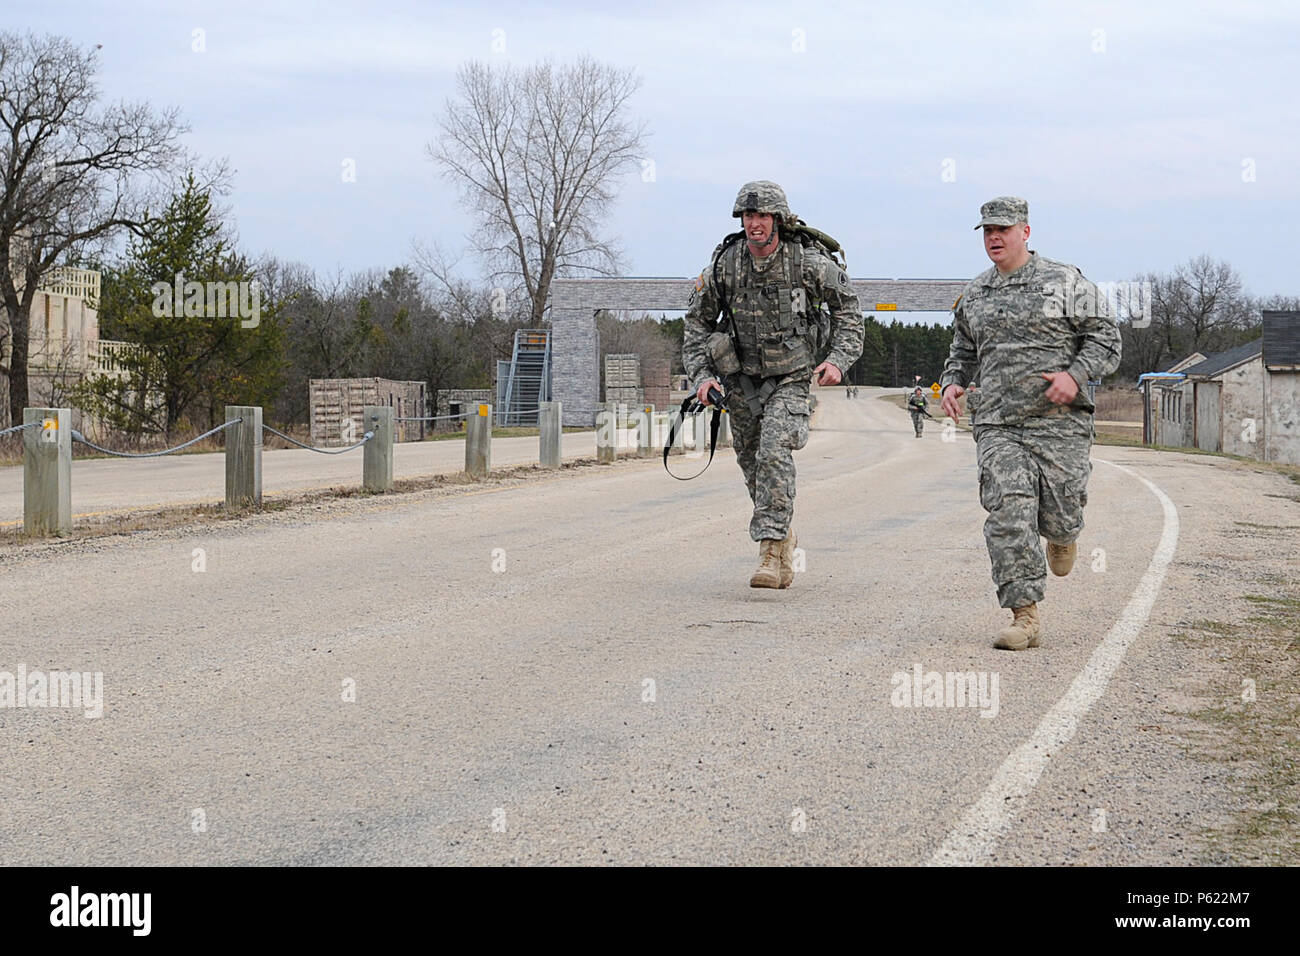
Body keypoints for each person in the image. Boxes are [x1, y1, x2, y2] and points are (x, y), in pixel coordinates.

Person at [939, 196, 1121, 650]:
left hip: (1059, 424)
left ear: (1026, 232)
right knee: (1008, 510)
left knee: (1060, 514)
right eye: (986, 231)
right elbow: (962, 351)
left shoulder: (1065, 282)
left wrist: (1074, 376)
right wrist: (952, 384)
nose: (994, 238)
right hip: (998, 423)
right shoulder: (976, 295)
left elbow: (1107, 338)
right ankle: (1024, 614)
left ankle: (1064, 532)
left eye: (1002, 229)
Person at [683, 180, 863, 588]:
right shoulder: (724, 266)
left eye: (762, 215)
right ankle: (782, 538)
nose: (754, 223)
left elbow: (849, 311)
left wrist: (837, 360)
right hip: (740, 381)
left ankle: (767, 550)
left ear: (777, 219)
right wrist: (702, 376)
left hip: (792, 377)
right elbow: (696, 322)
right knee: (753, 468)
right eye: (748, 216)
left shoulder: (806, 264)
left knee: (773, 451)